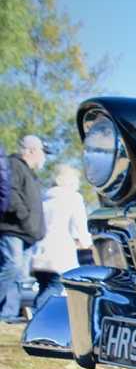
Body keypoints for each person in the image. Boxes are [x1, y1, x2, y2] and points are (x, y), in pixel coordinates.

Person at [29, 163, 92, 311]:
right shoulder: (73, 198)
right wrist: (86, 242)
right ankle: (37, 315)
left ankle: (35, 312)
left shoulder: (45, 199)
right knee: (55, 288)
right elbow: (79, 226)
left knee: (45, 286)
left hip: (39, 252)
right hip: (60, 253)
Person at [0, 135, 47, 323]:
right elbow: (11, 195)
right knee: (11, 267)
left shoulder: (30, 173)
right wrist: (25, 218)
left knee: (19, 275)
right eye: (43, 153)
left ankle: (7, 315)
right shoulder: (14, 165)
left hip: (27, 233)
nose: (44, 158)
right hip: (13, 229)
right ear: (32, 151)